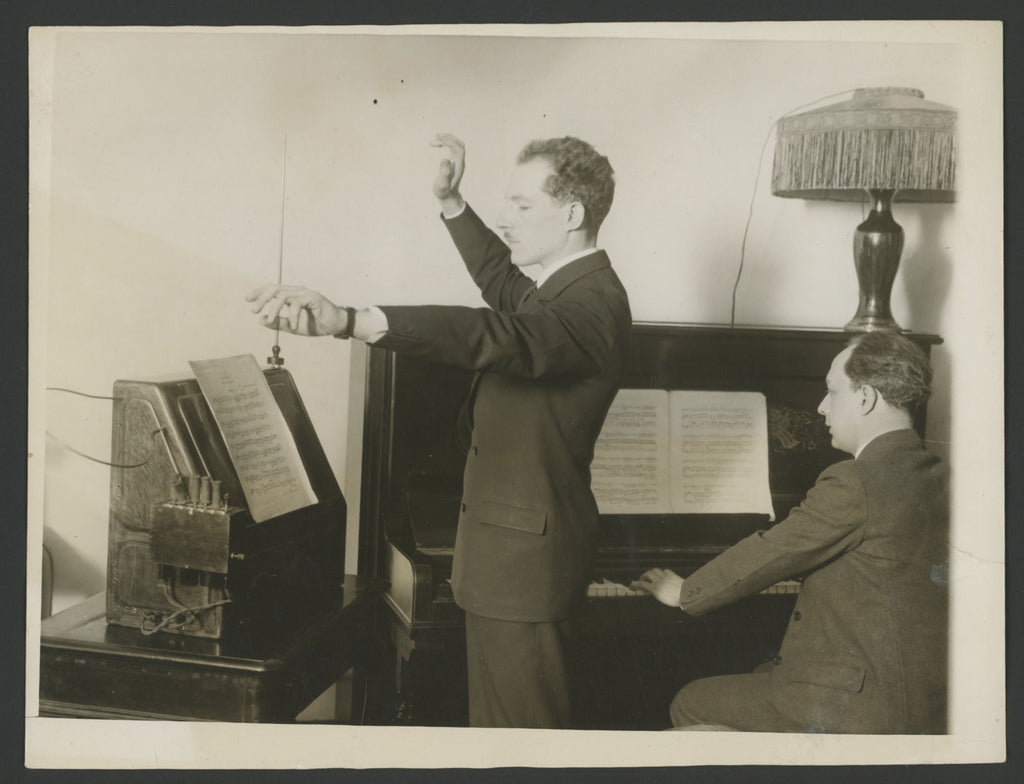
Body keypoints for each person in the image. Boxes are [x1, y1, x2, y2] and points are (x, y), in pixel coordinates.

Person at [246, 133, 631, 729]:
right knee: (497, 736)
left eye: (523, 206)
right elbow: (501, 283)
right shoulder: (559, 289)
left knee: (521, 744)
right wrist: (453, 202)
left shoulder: (591, 305)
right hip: (509, 562)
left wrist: (351, 320)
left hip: (524, 571)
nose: (507, 219)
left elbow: (492, 333)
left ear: (573, 214)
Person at [632, 332, 948, 734]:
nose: (820, 407)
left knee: (692, 702)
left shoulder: (857, 480)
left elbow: (775, 550)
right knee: (758, 675)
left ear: (866, 398)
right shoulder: (940, 474)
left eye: (832, 392)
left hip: (861, 705)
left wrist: (683, 591)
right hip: (919, 696)